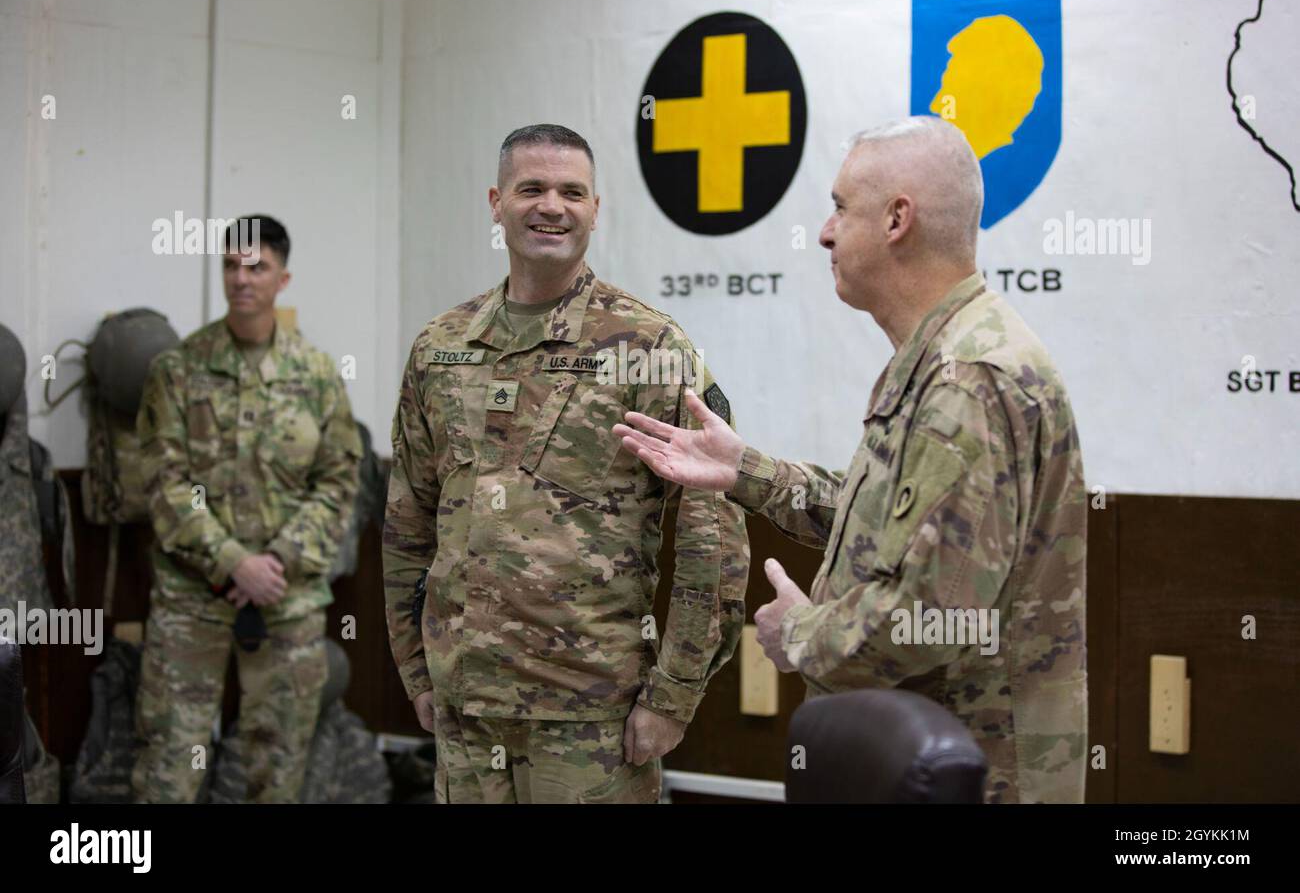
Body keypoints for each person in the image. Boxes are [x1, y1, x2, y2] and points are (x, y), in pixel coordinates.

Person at [615, 117, 1087, 803]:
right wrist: (744, 469)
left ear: (898, 219)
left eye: (840, 207)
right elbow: (894, 531)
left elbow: (931, 613)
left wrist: (798, 634)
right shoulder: (938, 357)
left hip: (978, 775)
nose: (826, 232)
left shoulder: (967, 378)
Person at [383, 124, 750, 803]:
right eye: (531, 188)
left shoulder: (649, 346)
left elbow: (712, 536)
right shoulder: (440, 347)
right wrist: (415, 671)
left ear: (595, 209)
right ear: (496, 202)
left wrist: (673, 695)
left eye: (571, 192)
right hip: (465, 704)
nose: (551, 205)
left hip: (591, 717)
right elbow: (409, 520)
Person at [133, 215, 361, 802]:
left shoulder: (315, 376)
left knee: (278, 764)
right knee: (169, 760)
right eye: (232, 266)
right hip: (192, 595)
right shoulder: (178, 371)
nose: (242, 278)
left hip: (287, 593)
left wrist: (276, 560)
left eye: (256, 266)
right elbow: (162, 480)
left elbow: (338, 480)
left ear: (283, 278)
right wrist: (233, 560)